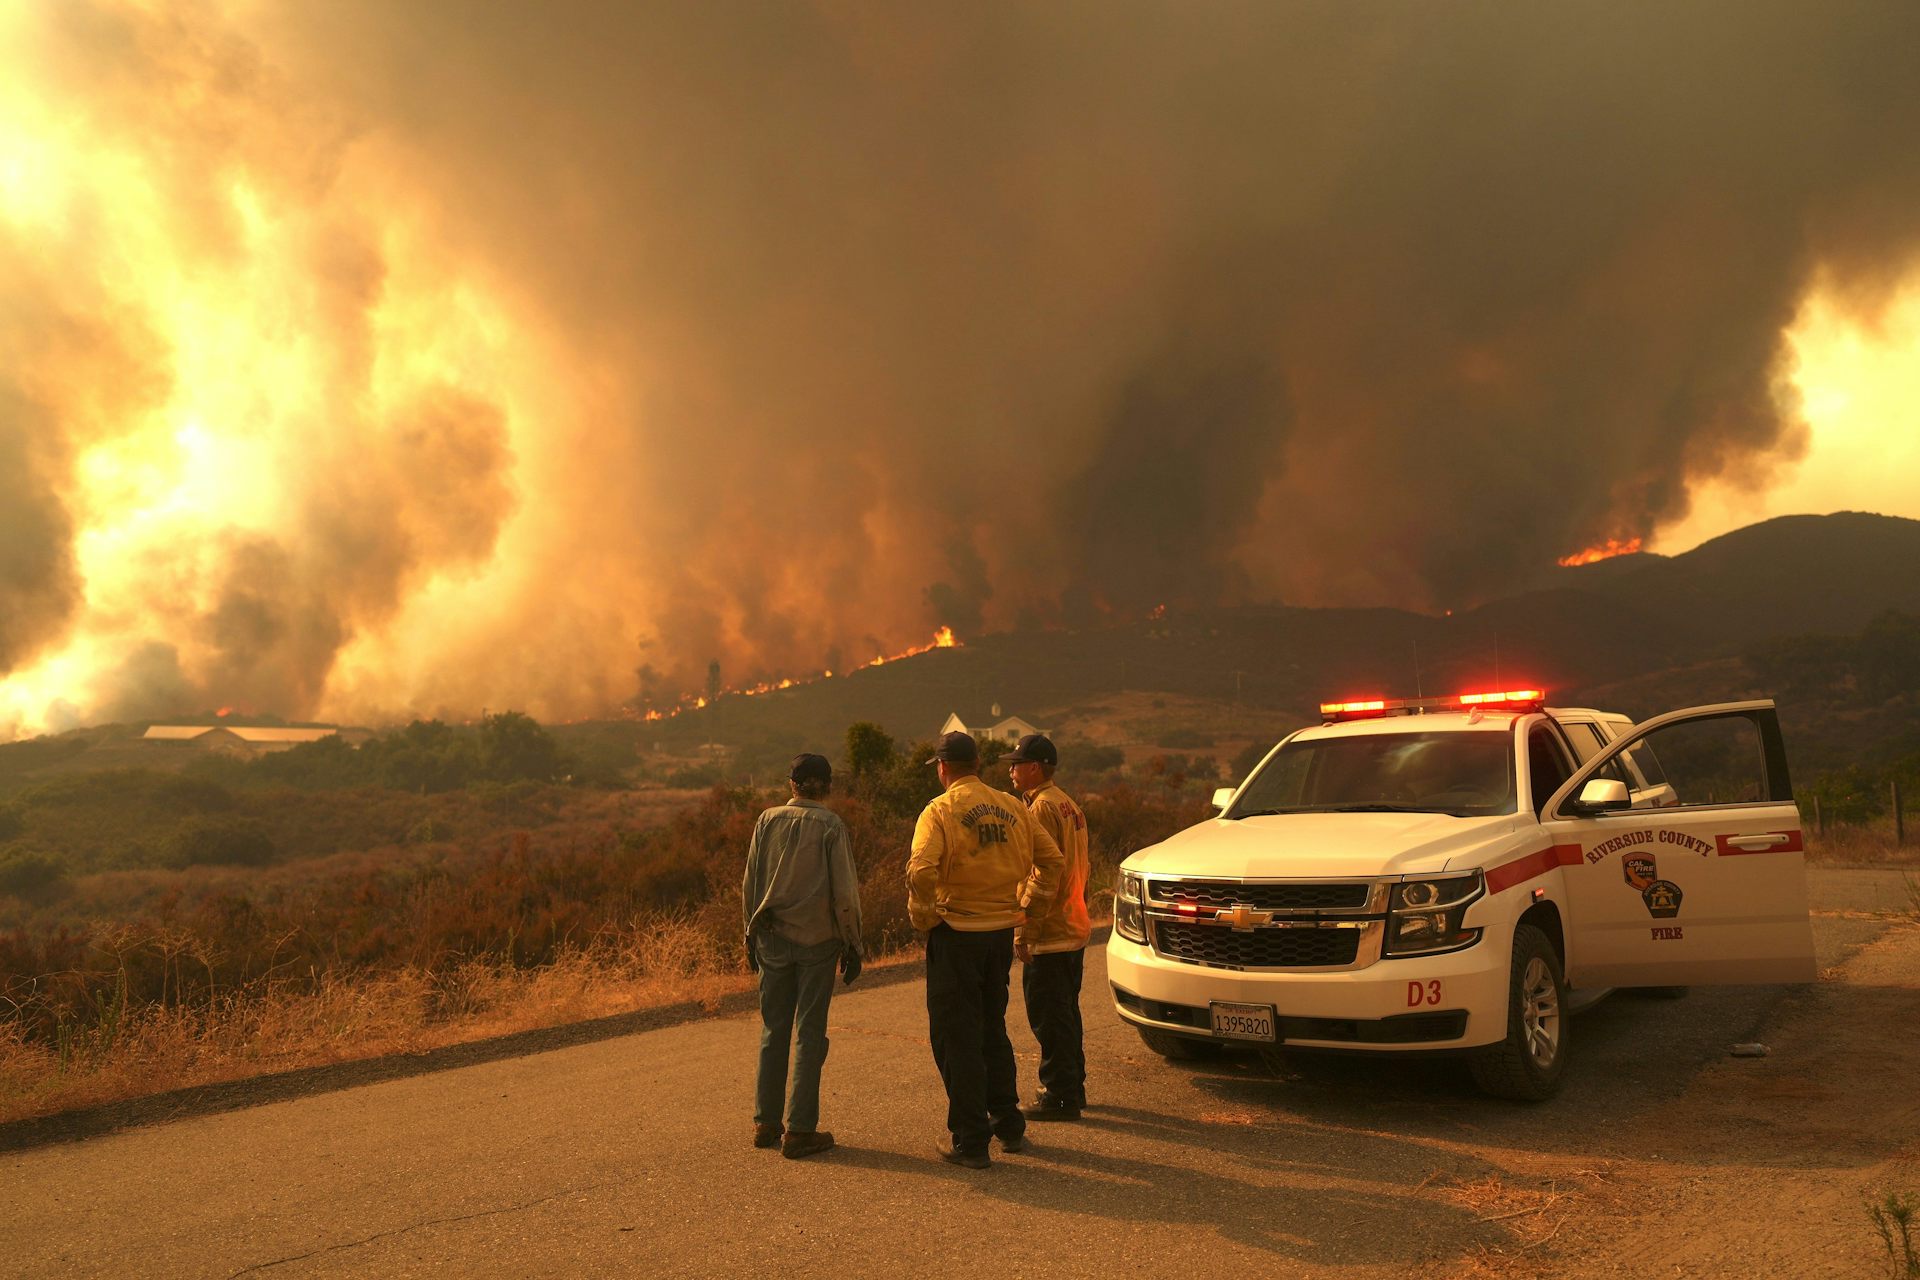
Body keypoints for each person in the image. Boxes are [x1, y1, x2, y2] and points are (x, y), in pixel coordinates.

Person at [907, 730, 1063, 1169]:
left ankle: (970, 1139)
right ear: (977, 764)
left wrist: (924, 917)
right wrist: (1030, 908)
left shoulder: (939, 810)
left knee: (955, 1035)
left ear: (942, 768)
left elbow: (921, 868)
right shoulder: (1014, 806)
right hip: (999, 933)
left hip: (956, 932)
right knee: (991, 1026)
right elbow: (1051, 861)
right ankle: (1007, 1122)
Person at [742, 752, 863, 1160]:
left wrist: (749, 937)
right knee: (809, 1033)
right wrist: (853, 943)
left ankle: (765, 1123)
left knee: (773, 1030)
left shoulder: (766, 820)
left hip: (771, 941)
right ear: (826, 785)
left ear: (791, 784)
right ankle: (800, 1130)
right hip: (818, 944)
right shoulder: (830, 825)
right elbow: (844, 894)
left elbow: (750, 884)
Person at [1004, 733, 1091, 1121]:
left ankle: (1058, 1094)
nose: (1011, 770)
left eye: (1016, 763)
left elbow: (1042, 873)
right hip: (1073, 923)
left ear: (1035, 767)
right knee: (1066, 1012)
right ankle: (1074, 1084)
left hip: (1051, 930)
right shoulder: (1068, 803)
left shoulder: (1040, 808)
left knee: (1048, 1016)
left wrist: (1026, 929)